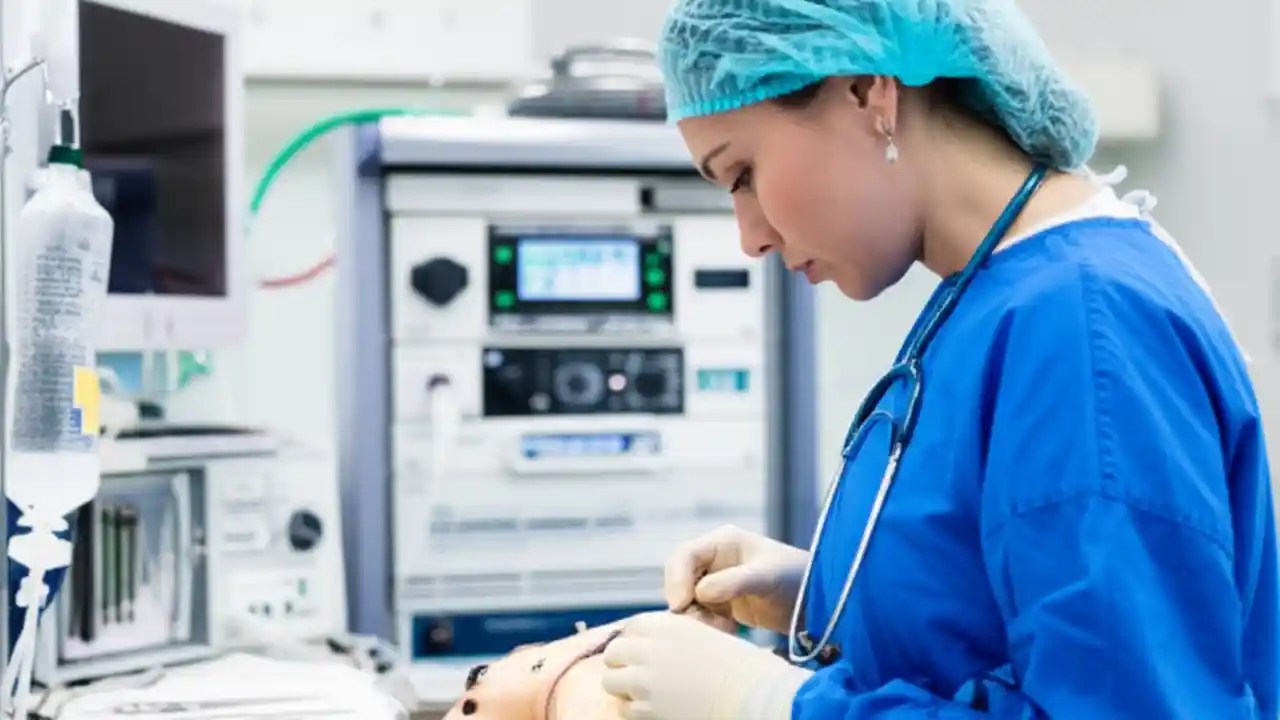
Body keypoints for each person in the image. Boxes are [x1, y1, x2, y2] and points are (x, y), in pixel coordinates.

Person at [596, 0, 1278, 718]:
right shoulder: (996, 296)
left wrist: (770, 700)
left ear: (866, 89)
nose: (750, 238)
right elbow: (1014, 608)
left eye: (742, 174)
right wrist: (828, 595)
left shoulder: (1082, 324)